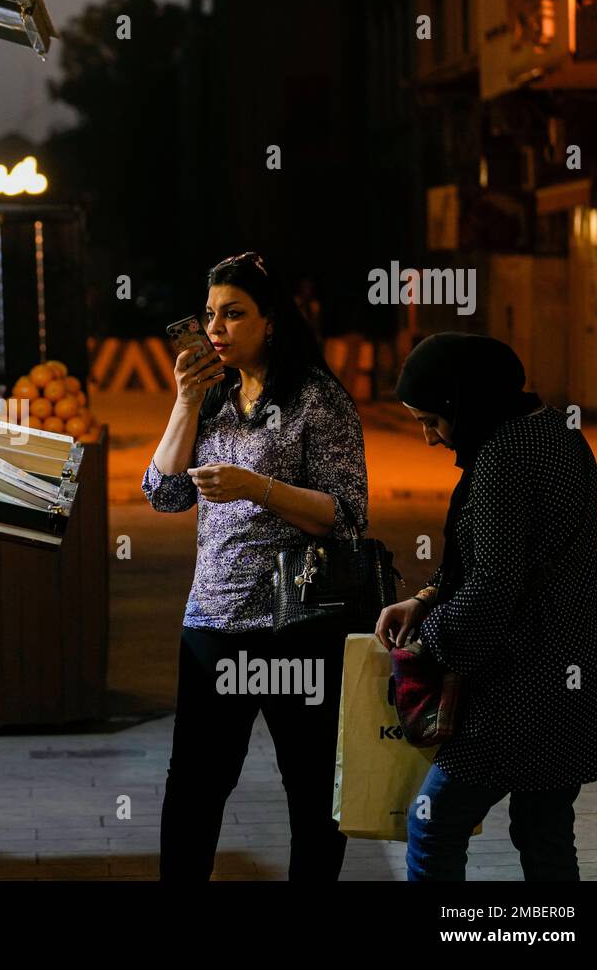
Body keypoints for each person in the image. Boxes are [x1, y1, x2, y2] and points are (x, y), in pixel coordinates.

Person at [143, 252, 368, 880]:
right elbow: (163, 493)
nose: (216, 329)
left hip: (299, 625)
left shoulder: (317, 400)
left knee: (311, 790)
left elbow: (347, 515)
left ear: (271, 321)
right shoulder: (210, 400)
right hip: (214, 623)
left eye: (234, 314)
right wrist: (184, 403)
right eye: (210, 315)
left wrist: (254, 486)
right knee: (193, 788)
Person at [377, 332, 597, 881]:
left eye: (432, 420)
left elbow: (490, 589)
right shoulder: (558, 429)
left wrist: (425, 644)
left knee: (433, 825)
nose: (429, 438)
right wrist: (425, 597)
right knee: (545, 827)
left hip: (522, 684)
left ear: (464, 403)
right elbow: (513, 551)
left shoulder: (502, 461)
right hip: (581, 668)